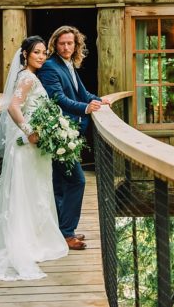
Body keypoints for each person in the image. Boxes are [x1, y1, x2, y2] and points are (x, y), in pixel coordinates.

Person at [0, 36, 68, 281]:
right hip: (27, 146)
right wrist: (29, 131)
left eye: (44, 52)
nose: (42, 56)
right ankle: (23, 243)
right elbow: (14, 107)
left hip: (36, 147)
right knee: (25, 191)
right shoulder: (26, 77)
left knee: (36, 191)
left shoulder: (32, 77)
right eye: (36, 52)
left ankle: (35, 238)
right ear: (25, 54)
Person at [37, 26, 110, 251]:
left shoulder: (68, 65)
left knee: (61, 184)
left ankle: (62, 231)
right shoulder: (50, 66)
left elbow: (81, 92)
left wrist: (99, 100)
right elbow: (58, 99)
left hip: (70, 132)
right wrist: (86, 108)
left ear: (76, 45)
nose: (67, 47)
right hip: (61, 133)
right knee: (77, 181)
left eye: (70, 43)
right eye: (62, 44)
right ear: (54, 45)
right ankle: (67, 235)